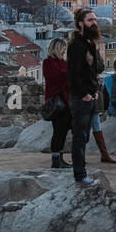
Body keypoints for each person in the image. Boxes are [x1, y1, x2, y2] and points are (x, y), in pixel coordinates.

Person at [66, 9, 101, 185]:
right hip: (81, 99)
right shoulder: (75, 46)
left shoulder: (89, 44)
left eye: (94, 19)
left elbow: (95, 70)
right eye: (90, 20)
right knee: (79, 138)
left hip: (90, 97)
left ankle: (81, 171)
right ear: (81, 23)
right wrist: (85, 94)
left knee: (84, 137)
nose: (94, 23)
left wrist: (94, 91)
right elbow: (72, 75)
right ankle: (80, 175)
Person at [43, 36, 72, 169]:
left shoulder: (64, 63)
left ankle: (60, 158)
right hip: (56, 101)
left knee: (64, 130)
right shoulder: (48, 62)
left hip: (66, 101)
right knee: (58, 131)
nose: (64, 52)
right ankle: (55, 159)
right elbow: (55, 77)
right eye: (62, 49)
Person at [88, 50, 116, 164]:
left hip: (92, 89)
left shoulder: (93, 50)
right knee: (83, 126)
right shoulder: (77, 50)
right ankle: (80, 156)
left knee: (96, 123)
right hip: (82, 92)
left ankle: (104, 154)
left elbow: (100, 68)